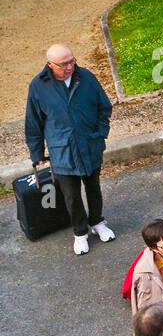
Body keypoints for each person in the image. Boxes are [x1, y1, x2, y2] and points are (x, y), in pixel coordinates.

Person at [25, 43, 115, 254]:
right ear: (50, 64)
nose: (70, 67)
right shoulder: (38, 86)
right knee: (71, 196)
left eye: (72, 61)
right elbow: (33, 123)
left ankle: (98, 222)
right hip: (62, 152)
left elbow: (104, 106)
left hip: (90, 145)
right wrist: (37, 154)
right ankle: (80, 232)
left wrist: (101, 132)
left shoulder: (86, 77)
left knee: (94, 189)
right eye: (64, 64)